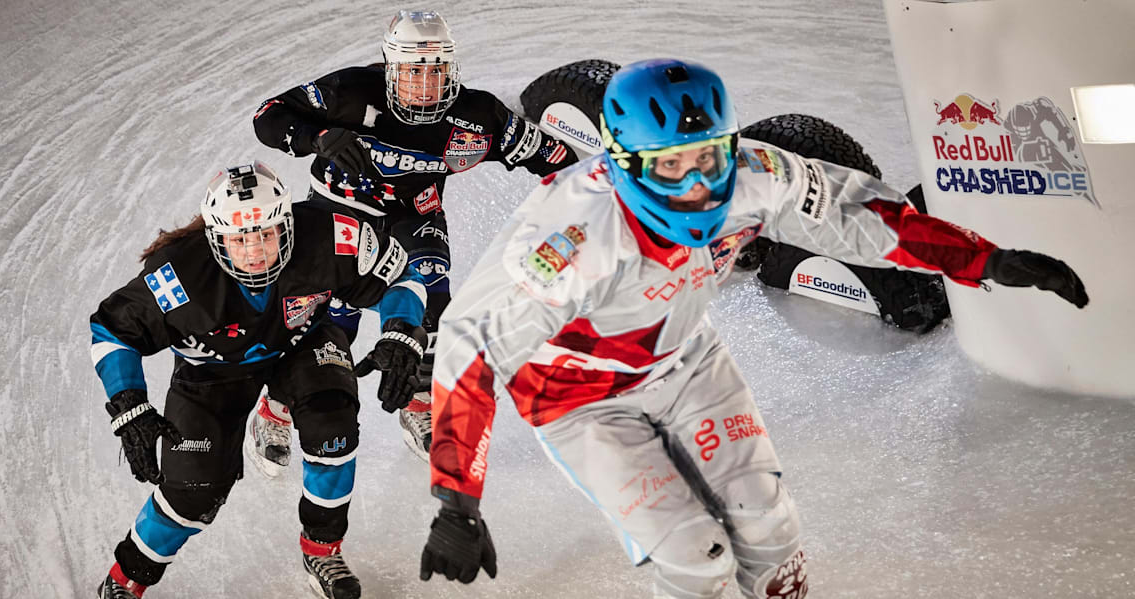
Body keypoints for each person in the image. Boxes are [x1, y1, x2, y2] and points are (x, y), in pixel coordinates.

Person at [415, 59, 1088, 598]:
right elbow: (472, 343)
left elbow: (853, 212)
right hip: (577, 394)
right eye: (670, 167)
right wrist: (456, 500)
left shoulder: (754, 173)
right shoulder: (572, 235)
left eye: (708, 159)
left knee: (771, 525)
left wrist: (984, 258)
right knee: (694, 555)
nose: (697, 188)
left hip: (683, 357)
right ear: (622, 164)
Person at [248, 9, 577, 467]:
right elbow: (267, 115)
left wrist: (611, 188)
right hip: (337, 208)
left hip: (412, 213)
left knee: (433, 301)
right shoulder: (349, 91)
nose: (424, 86)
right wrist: (317, 137)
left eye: (435, 72)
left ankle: (418, 399)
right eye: (412, 72)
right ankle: (278, 405)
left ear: (451, 70)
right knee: (328, 318)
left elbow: (554, 157)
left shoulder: (479, 117)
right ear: (389, 69)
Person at [91, 161, 427, 599]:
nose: (255, 252)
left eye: (267, 234)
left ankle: (322, 549)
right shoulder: (178, 271)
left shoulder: (328, 234)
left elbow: (400, 274)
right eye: (240, 239)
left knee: (334, 430)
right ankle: (126, 577)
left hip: (301, 345)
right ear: (216, 239)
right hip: (212, 375)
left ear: (287, 224)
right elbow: (113, 330)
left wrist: (401, 331)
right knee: (192, 492)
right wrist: (129, 404)